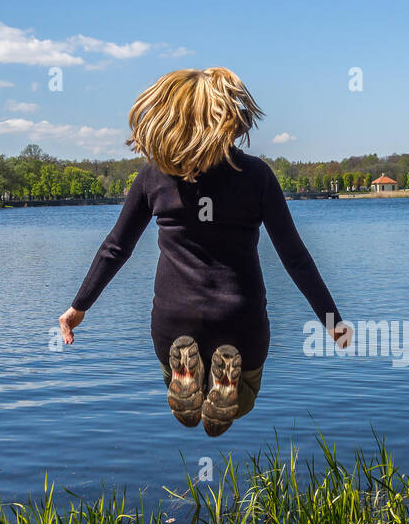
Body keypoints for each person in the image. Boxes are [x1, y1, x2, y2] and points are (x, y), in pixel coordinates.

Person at [59, 67, 351, 436]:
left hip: (174, 319)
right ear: (229, 117)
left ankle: (185, 374)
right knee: (237, 407)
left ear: (170, 116)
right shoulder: (256, 175)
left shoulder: (153, 177)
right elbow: (295, 257)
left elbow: (116, 248)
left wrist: (78, 307)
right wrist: (332, 320)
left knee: (190, 412)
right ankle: (229, 387)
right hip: (240, 320)